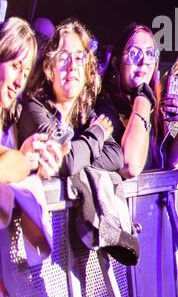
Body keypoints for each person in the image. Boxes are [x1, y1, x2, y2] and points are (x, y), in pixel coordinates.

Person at [16, 19, 124, 178]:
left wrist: (79, 157)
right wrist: (97, 134)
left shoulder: (85, 114)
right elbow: (64, 162)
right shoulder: (34, 108)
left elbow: (116, 156)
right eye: (64, 57)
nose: (72, 65)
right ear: (49, 69)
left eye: (80, 58)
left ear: (87, 70)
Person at [97, 24, 178, 176]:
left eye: (150, 54)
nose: (144, 61)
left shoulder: (154, 107)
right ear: (115, 63)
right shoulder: (102, 106)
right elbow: (129, 167)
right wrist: (143, 97)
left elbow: (170, 164)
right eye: (134, 53)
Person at [0, 18, 62, 182]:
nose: (20, 82)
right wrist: (21, 162)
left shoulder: (8, 117)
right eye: (15, 66)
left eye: (25, 73)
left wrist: (27, 160)